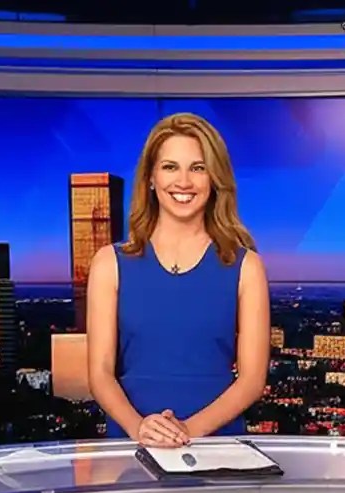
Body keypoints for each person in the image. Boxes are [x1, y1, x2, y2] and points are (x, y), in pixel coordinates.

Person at [86, 112, 270, 448]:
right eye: (170, 167)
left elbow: (252, 380)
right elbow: (99, 373)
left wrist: (185, 432)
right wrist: (140, 428)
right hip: (132, 442)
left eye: (198, 168)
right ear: (151, 179)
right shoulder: (109, 263)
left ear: (214, 179)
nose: (183, 181)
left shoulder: (247, 267)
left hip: (216, 445)